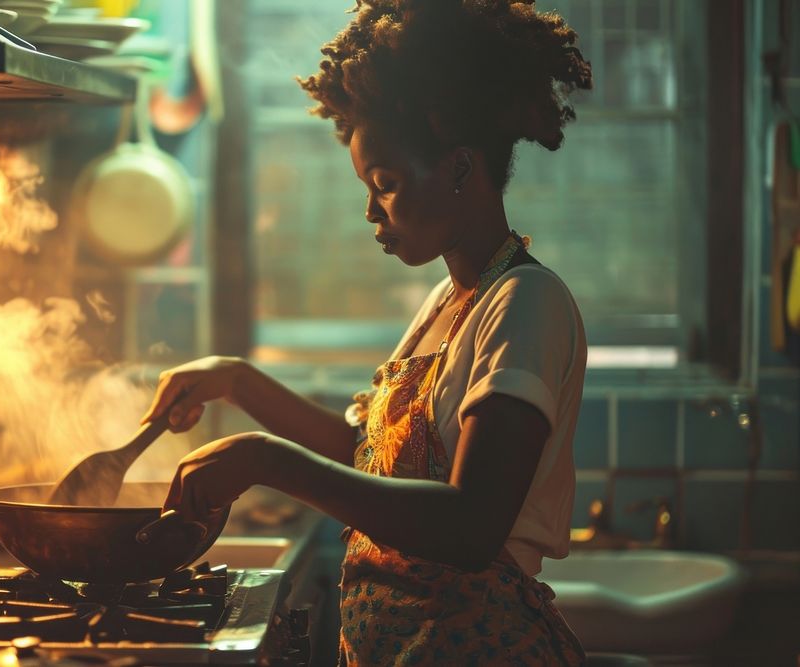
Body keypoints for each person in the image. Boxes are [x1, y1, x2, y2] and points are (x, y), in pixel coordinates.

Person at [141, 0, 592, 663]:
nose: (370, 211)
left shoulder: (526, 304)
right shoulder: (448, 301)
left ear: (462, 169)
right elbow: (368, 454)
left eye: (386, 183)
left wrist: (267, 460)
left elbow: (470, 526)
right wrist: (236, 379)